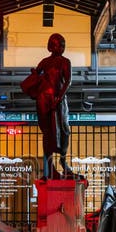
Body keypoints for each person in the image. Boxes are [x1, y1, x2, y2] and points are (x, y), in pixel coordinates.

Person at [27, 33, 71, 178]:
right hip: (45, 101)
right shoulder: (45, 62)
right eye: (60, 44)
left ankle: (63, 160)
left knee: (64, 129)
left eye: (64, 44)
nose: (63, 47)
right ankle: (49, 167)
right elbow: (36, 75)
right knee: (48, 132)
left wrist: (59, 97)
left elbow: (67, 81)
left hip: (59, 101)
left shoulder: (65, 62)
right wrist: (35, 75)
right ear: (52, 46)